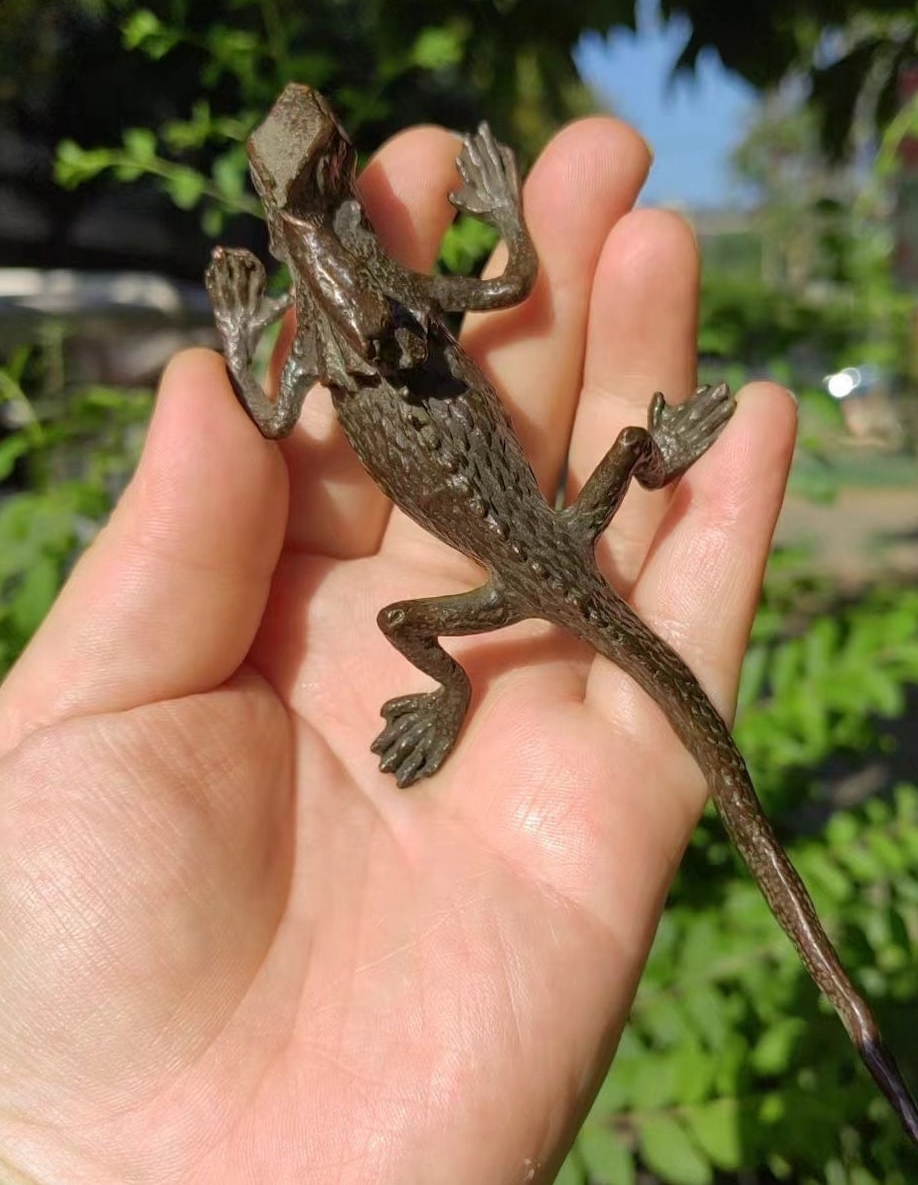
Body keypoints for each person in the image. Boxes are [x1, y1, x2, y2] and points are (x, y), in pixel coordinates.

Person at [0, 117, 795, 1183]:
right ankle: (654, 465)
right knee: (612, 458)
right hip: (550, 548)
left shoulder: (359, 301)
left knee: (409, 617)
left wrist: (248, 342)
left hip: (536, 561)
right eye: (323, 156)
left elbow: (286, 413)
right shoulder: (364, 297)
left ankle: (487, 652)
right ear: (334, 178)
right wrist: (500, 224)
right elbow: (503, 289)